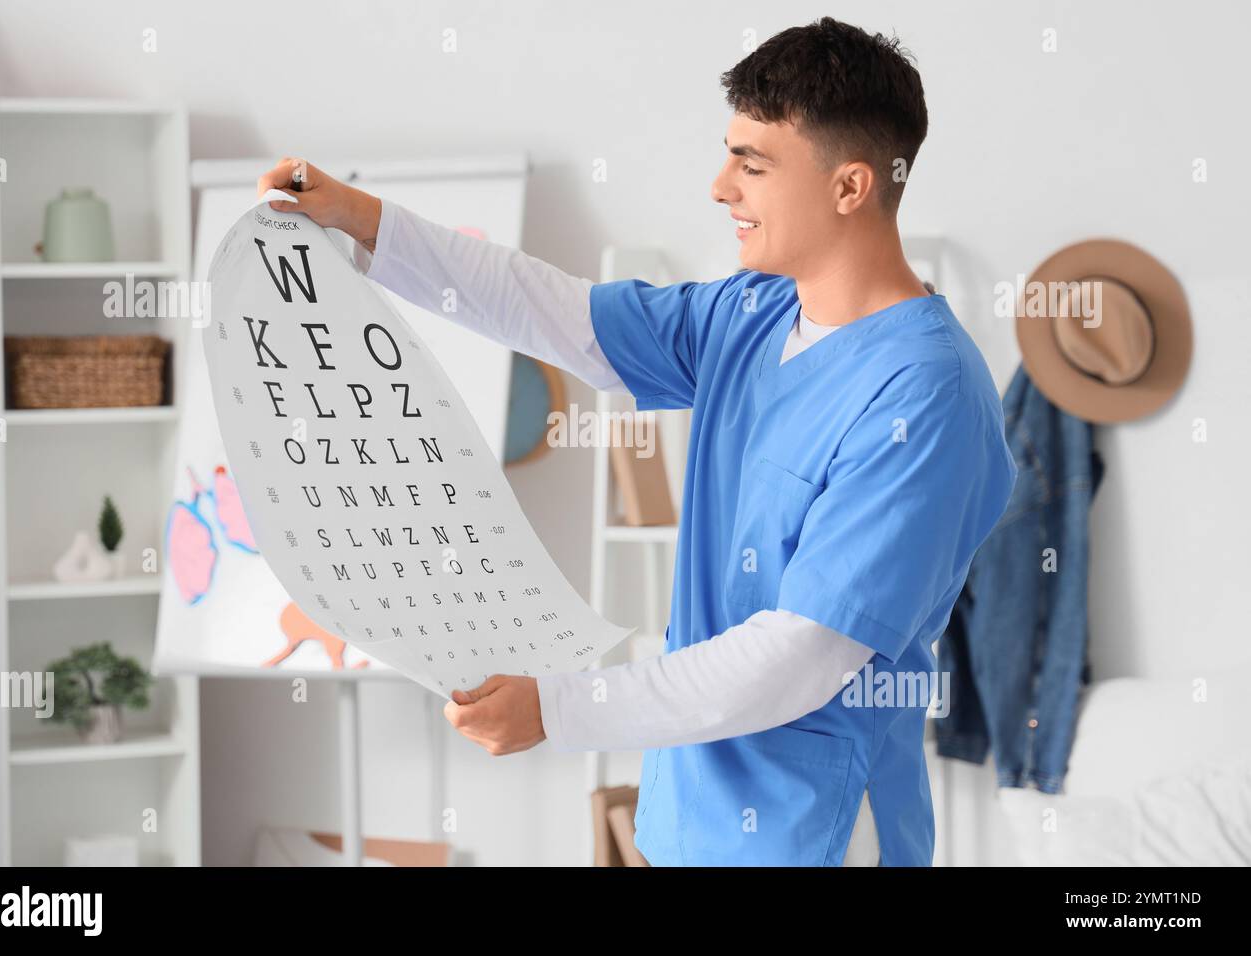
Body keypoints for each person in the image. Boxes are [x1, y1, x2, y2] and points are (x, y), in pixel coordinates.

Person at [257, 16, 1017, 867]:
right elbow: (556, 312)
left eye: (752, 163)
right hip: (687, 817)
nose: (720, 186)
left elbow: (800, 656)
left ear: (849, 187)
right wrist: (363, 221)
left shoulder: (925, 393)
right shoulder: (753, 313)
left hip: (817, 834)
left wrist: (560, 708)